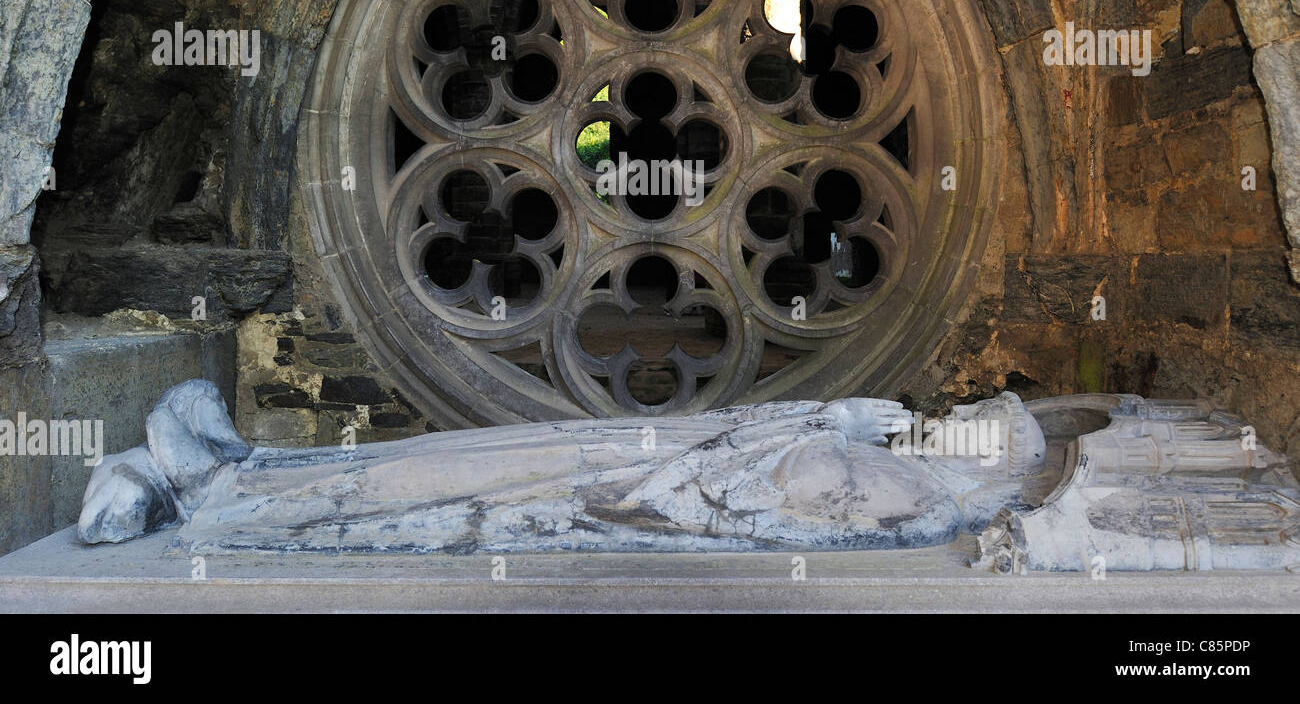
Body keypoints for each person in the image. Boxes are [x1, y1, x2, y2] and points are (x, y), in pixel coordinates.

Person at [79, 379, 1046, 554]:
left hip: (605, 492)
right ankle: (245, 474)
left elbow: (742, 493)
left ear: (984, 459)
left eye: (968, 424)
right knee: (441, 457)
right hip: (626, 464)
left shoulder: (915, 493)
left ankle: (217, 497)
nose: (945, 419)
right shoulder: (907, 476)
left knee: (429, 484)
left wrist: (820, 416)